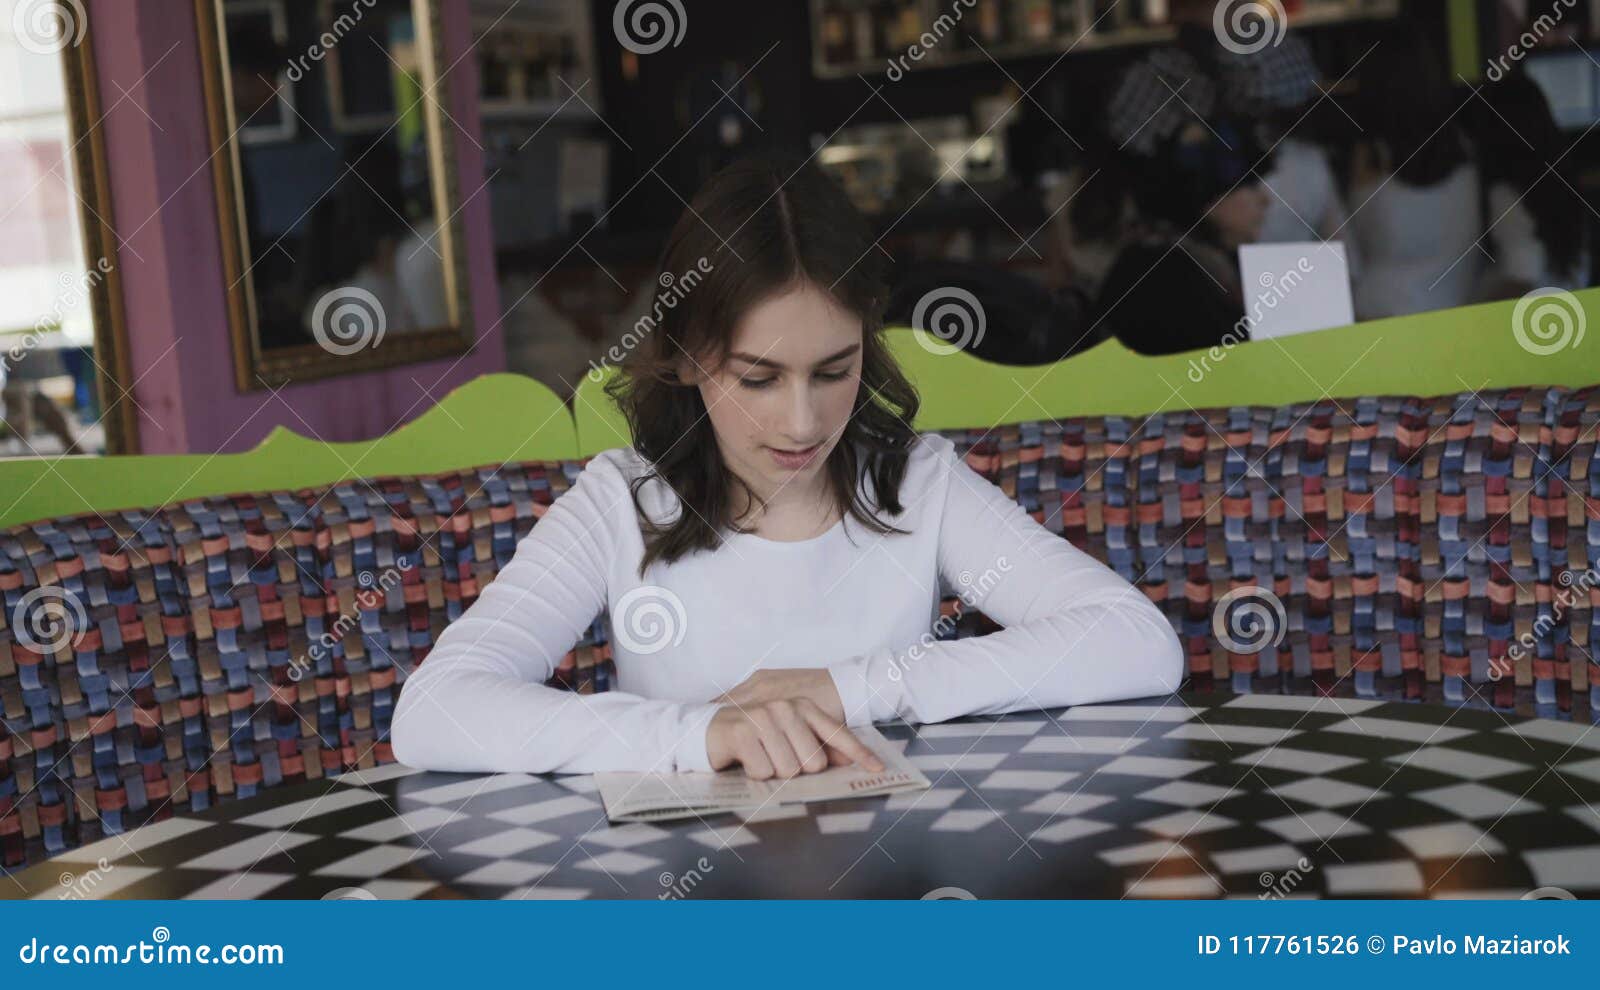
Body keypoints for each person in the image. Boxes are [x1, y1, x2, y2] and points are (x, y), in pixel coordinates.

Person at [389, 152, 1183, 779]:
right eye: (760, 379)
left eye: (834, 371)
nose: (803, 424)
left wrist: (848, 688)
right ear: (694, 359)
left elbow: (1136, 642)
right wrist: (705, 733)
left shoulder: (914, 481)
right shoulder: (621, 502)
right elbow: (433, 712)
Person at [1093, 119, 1269, 356]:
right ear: (1212, 201)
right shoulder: (1162, 276)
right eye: (1250, 185)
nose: (1265, 200)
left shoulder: (1211, 261)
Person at [1343, 30, 1482, 320]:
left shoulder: (1369, 159)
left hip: (1381, 321)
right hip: (1458, 315)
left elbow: (1353, 252)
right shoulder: (1467, 149)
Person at [1468, 70, 1590, 299]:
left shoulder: (1507, 197)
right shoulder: (1565, 183)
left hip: (1527, 323)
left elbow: (1521, 278)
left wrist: (1467, 313)